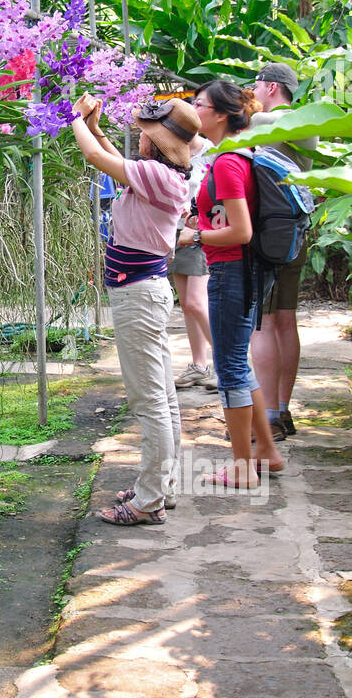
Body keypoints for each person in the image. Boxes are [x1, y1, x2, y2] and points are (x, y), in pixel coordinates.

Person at [70, 91, 200, 526]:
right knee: (162, 397)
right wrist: (96, 126)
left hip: (138, 298)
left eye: (145, 133)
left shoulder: (159, 178)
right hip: (146, 292)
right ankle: (162, 486)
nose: (138, 138)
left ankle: (148, 502)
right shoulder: (163, 174)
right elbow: (113, 162)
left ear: (156, 144)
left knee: (150, 403)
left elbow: (93, 157)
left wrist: (73, 117)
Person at [176, 81, 285, 489]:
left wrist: (195, 237)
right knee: (239, 366)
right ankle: (266, 453)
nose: (193, 110)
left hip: (231, 273)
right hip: (239, 272)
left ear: (221, 114)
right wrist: (201, 222)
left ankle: (242, 467)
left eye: (198, 105)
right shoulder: (237, 154)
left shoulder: (227, 162)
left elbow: (240, 230)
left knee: (231, 371)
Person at [246, 63, 318, 442]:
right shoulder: (307, 123)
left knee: (265, 324)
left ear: (271, 87)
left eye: (255, 85)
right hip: (296, 229)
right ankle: (283, 409)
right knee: (287, 321)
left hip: (269, 236)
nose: (251, 91)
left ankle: (269, 414)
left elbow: (235, 129)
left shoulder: (266, 124)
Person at [170, 132, 216, 390]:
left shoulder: (213, 152)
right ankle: (199, 366)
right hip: (176, 231)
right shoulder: (171, 151)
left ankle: (228, 365)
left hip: (201, 232)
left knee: (198, 303)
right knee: (187, 304)